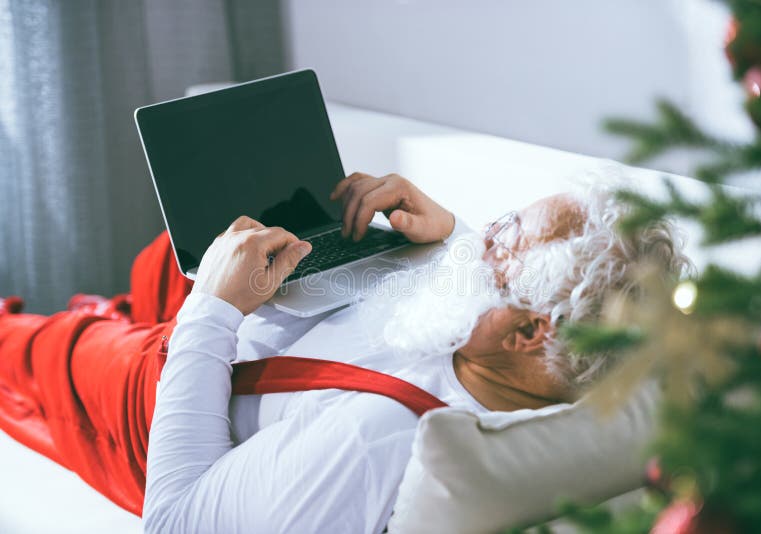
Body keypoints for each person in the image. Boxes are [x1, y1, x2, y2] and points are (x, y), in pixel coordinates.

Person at [0, 173, 688, 533]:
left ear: (529, 333)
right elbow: (503, 281)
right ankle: (127, 302)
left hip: (168, 402)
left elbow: (175, 523)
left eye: (504, 235)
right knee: (173, 248)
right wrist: (443, 231)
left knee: (27, 348)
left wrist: (211, 308)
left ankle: (80, 324)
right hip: (259, 331)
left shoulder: (377, 443)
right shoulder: (516, 350)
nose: (483, 237)